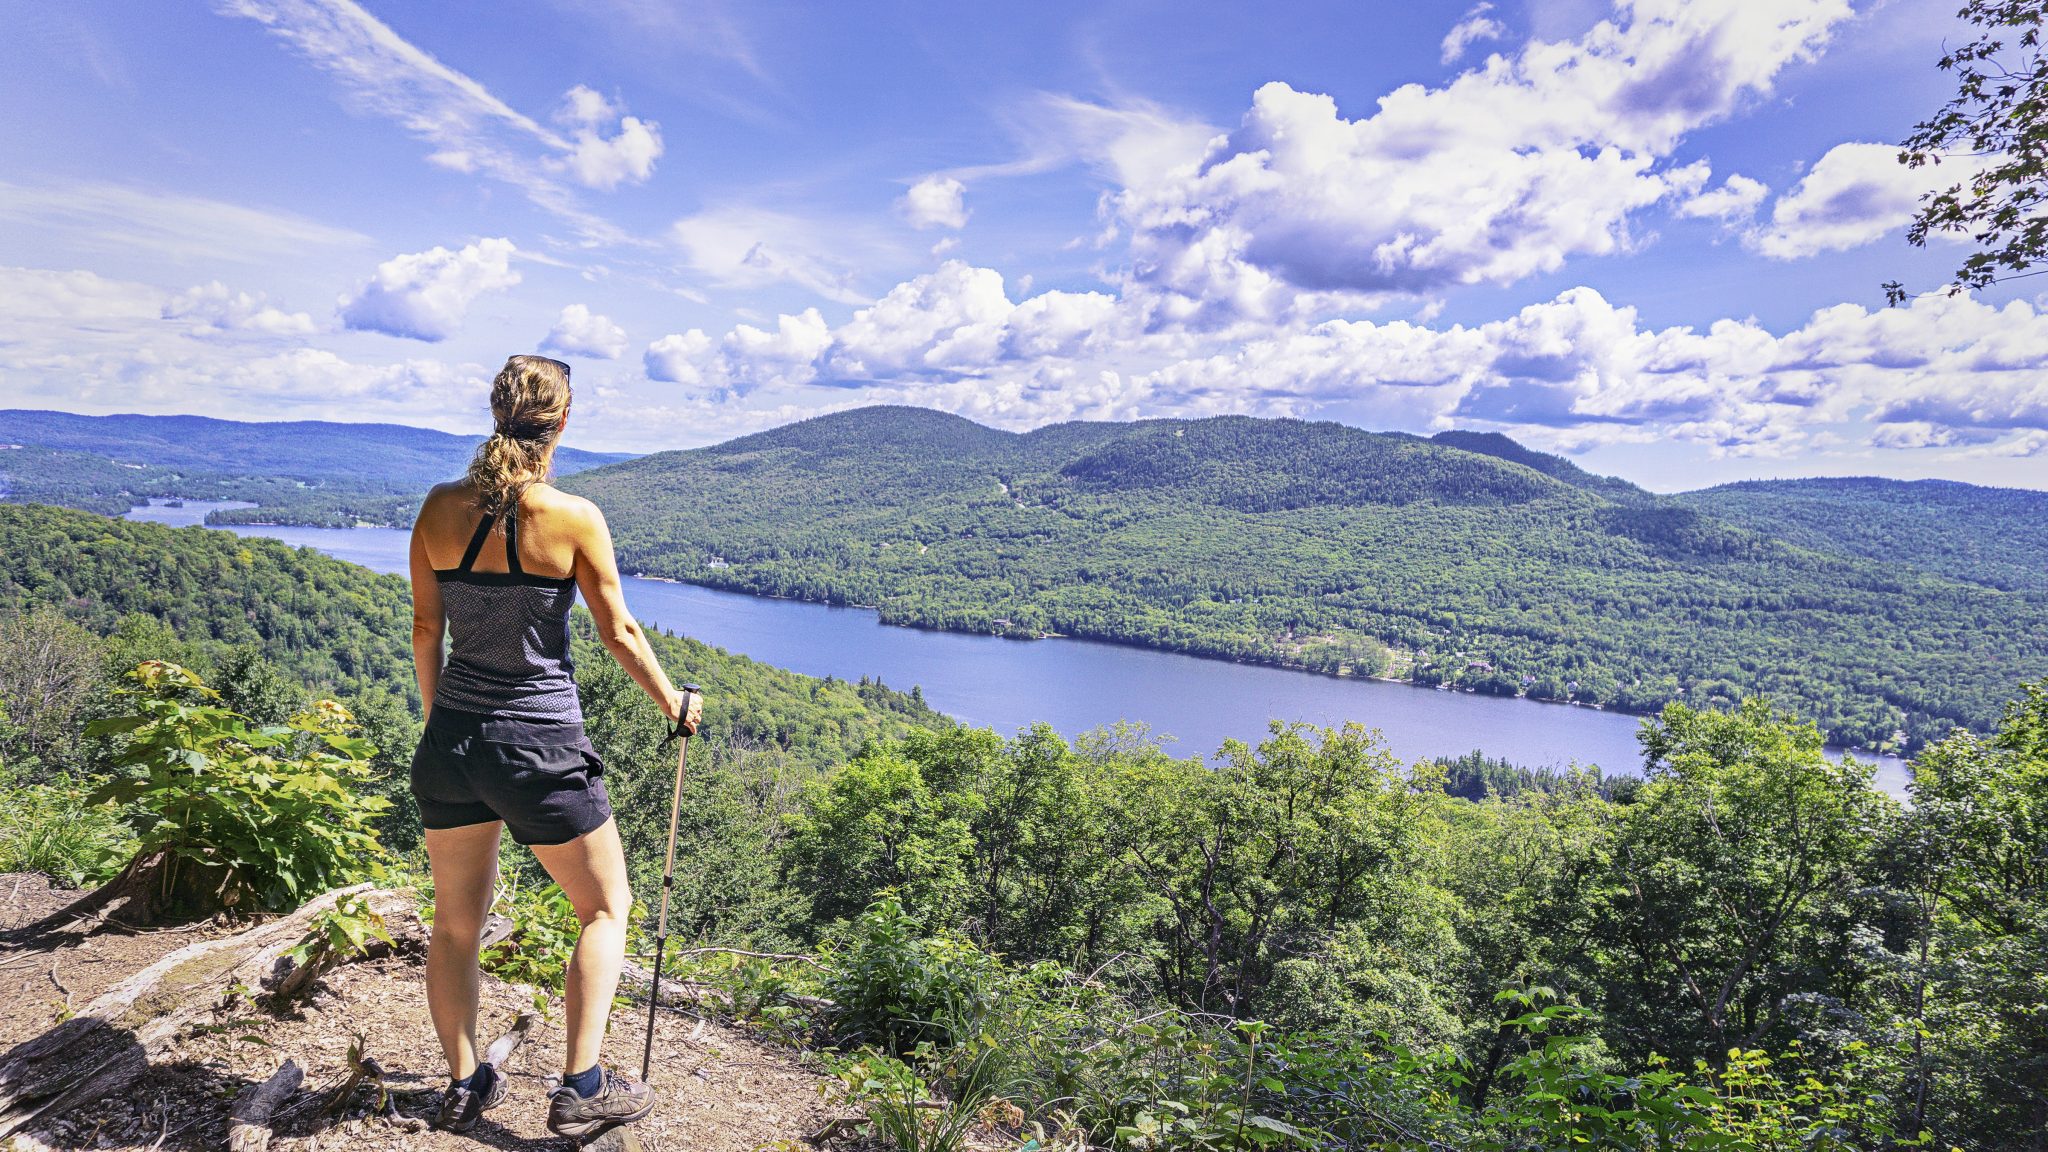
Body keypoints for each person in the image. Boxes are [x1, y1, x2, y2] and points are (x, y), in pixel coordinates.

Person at [406, 354, 701, 1138]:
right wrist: (675, 703)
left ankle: (465, 1083)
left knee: (455, 923)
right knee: (606, 907)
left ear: (494, 411)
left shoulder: (437, 509)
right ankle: (583, 1086)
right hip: (538, 745)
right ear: (563, 422)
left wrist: (447, 727)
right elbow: (619, 631)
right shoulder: (572, 517)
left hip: (452, 745)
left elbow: (427, 629)